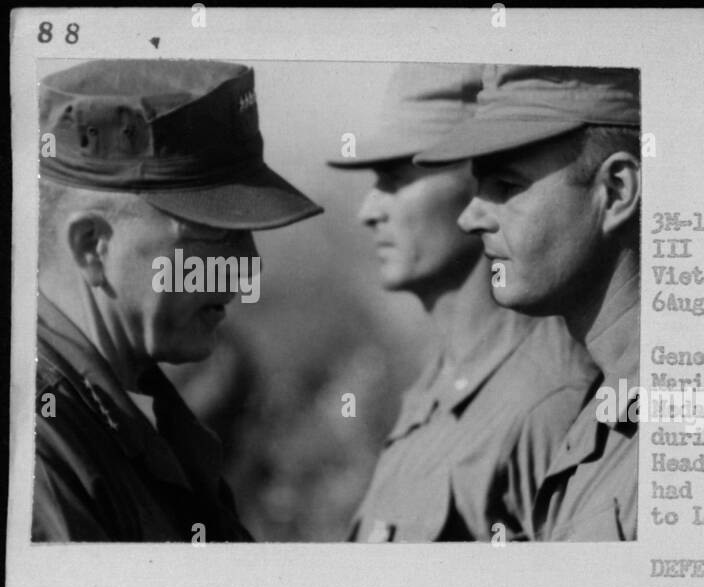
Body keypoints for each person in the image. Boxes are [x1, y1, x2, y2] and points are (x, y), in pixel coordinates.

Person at [33, 59, 323, 542]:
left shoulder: (138, 416)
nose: (246, 268)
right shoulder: (41, 447)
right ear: (92, 247)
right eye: (215, 233)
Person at [328, 64, 597, 542]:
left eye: (394, 178)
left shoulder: (545, 401)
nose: (367, 210)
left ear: (478, 179)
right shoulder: (430, 392)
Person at [415, 65, 641, 541]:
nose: (470, 217)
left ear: (616, 192)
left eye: (508, 186)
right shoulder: (599, 416)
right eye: (478, 188)